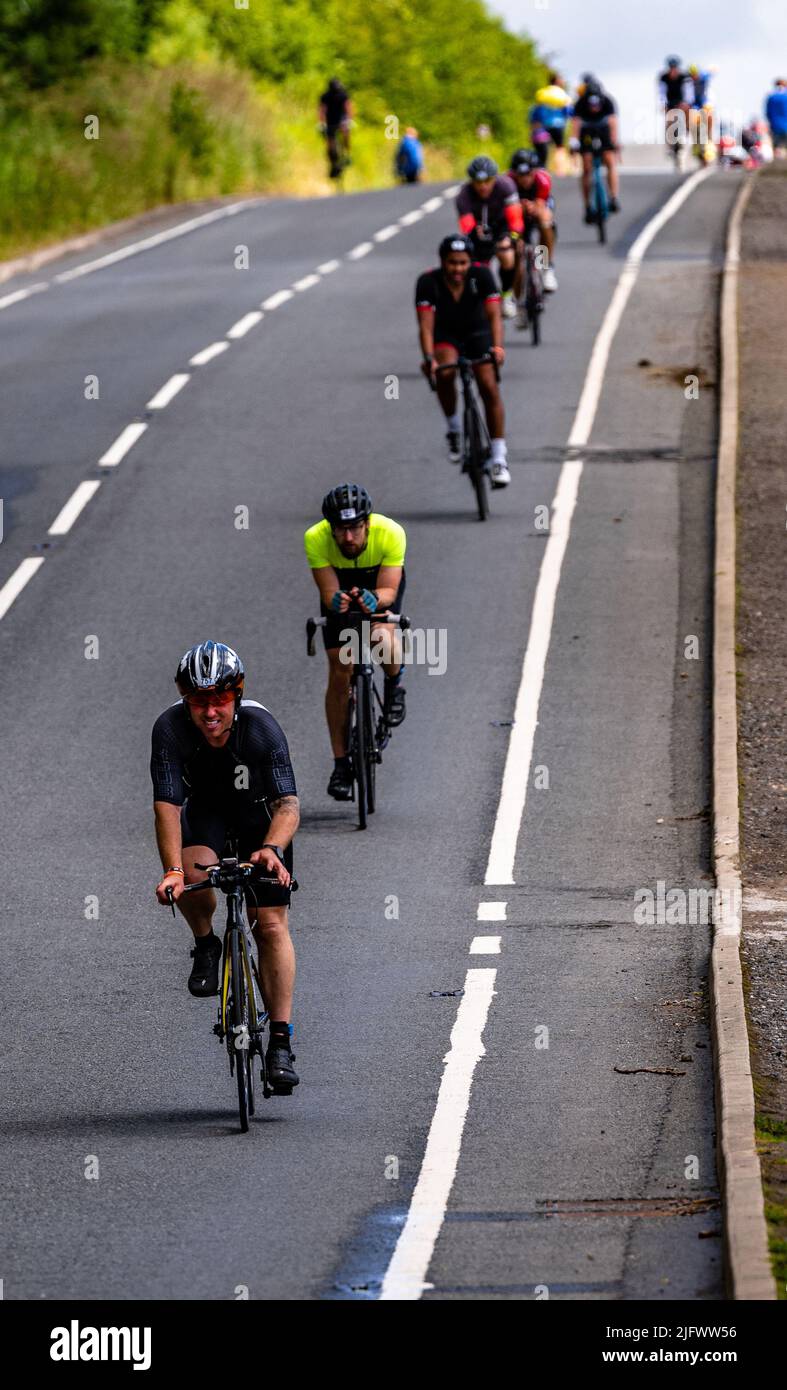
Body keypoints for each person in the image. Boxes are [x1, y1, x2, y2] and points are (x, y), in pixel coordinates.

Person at [151, 641, 300, 1092]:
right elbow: (168, 807)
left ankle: (279, 1042)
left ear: (236, 696)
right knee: (194, 874)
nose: (210, 712)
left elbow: (288, 804)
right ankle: (206, 944)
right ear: (186, 701)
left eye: (219, 700)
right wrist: (173, 871)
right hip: (207, 815)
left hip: (261, 819)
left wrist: (272, 848)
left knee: (270, 926)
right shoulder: (170, 730)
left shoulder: (261, 729)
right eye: (199, 702)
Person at [304, 485, 407, 801]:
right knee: (339, 667)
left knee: (380, 636)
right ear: (330, 529)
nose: (348, 538)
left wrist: (373, 599)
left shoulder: (391, 533)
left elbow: (389, 592)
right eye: (341, 530)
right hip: (340, 590)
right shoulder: (315, 538)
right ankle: (341, 765)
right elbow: (328, 592)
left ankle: (394, 686)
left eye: (355, 529)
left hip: (378, 585)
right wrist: (337, 601)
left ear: (367, 524)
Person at [416, 233, 509, 486]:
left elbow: (494, 316)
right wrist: (429, 359)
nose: (458, 268)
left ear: (471, 262)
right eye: (452, 262)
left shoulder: (483, 276)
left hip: (478, 332)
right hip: (446, 335)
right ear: (442, 261)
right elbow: (425, 327)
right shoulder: (427, 282)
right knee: (444, 372)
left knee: (488, 385)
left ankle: (499, 456)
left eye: (463, 263)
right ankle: (454, 427)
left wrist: (497, 348)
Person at [455, 155, 523, 319]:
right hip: (479, 230)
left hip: (502, 226)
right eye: (478, 183)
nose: (483, 186)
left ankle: (507, 295)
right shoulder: (464, 195)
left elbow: (515, 220)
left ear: (495, 178)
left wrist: (512, 238)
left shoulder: (506, 186)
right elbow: (467, 227)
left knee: (508, 255)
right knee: (477, 267)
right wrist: (474, 235)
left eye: (487, 181)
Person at [508, 149, 558, 293]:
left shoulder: (543, 179)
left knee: (545, 219)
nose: (525, 179)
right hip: (516, 213)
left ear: (535, 171)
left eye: (529, 174)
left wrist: (532, 207)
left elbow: (540, 205)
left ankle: (545, 264)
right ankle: (513, 296)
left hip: (538, 205)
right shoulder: (508, 182)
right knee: (516, 247)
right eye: (521, 175)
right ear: (514, 173)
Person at [570, 78, 620, 218]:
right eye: (591, 104)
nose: (594, 107)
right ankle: (587, 205)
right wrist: (573, 142)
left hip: (603, 130)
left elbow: (613, 123)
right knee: (586, 166)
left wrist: (614, 141)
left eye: (596, 103)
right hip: (587, 131)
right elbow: (575, 124)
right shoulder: (580, 103)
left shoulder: (608, 101)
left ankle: (613, 197)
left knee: (609, 161)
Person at [530, 72, 572, 173]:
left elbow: (536, 112)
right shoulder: (562, 95)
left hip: (544, 126)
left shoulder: (543, 93)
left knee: (543, 149)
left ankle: (542, 170)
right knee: (559, 149)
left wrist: (533, 129)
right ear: (557, 82)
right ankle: (560, 171)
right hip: (559, 125)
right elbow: (568, 112)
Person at [319, 77, 353, 178]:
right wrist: (322, 123)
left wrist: (349, 120)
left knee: (345, 133)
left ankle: (347, 154)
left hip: (341, 120)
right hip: (330, 122)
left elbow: (348, 108)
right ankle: (333, 162)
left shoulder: (343, 95)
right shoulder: (325, 96)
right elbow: (322, 110)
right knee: (330, 143)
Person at [658, 56, 691, 154]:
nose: (673, 70)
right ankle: (669, 145)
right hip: (670, 103)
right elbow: (661, 93)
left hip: (682, 102)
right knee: (668, 121)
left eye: (674, 67)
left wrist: (686, 103)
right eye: (671, 67)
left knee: (687, 115)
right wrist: (663, 104)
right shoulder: (663, 78)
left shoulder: (684, 77)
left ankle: (687, 133)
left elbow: (688, 92)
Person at [765, 79, 787, 158]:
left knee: (777, 148)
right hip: (785, 126)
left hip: (775, 126)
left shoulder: (771, 98)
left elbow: (768, 113)